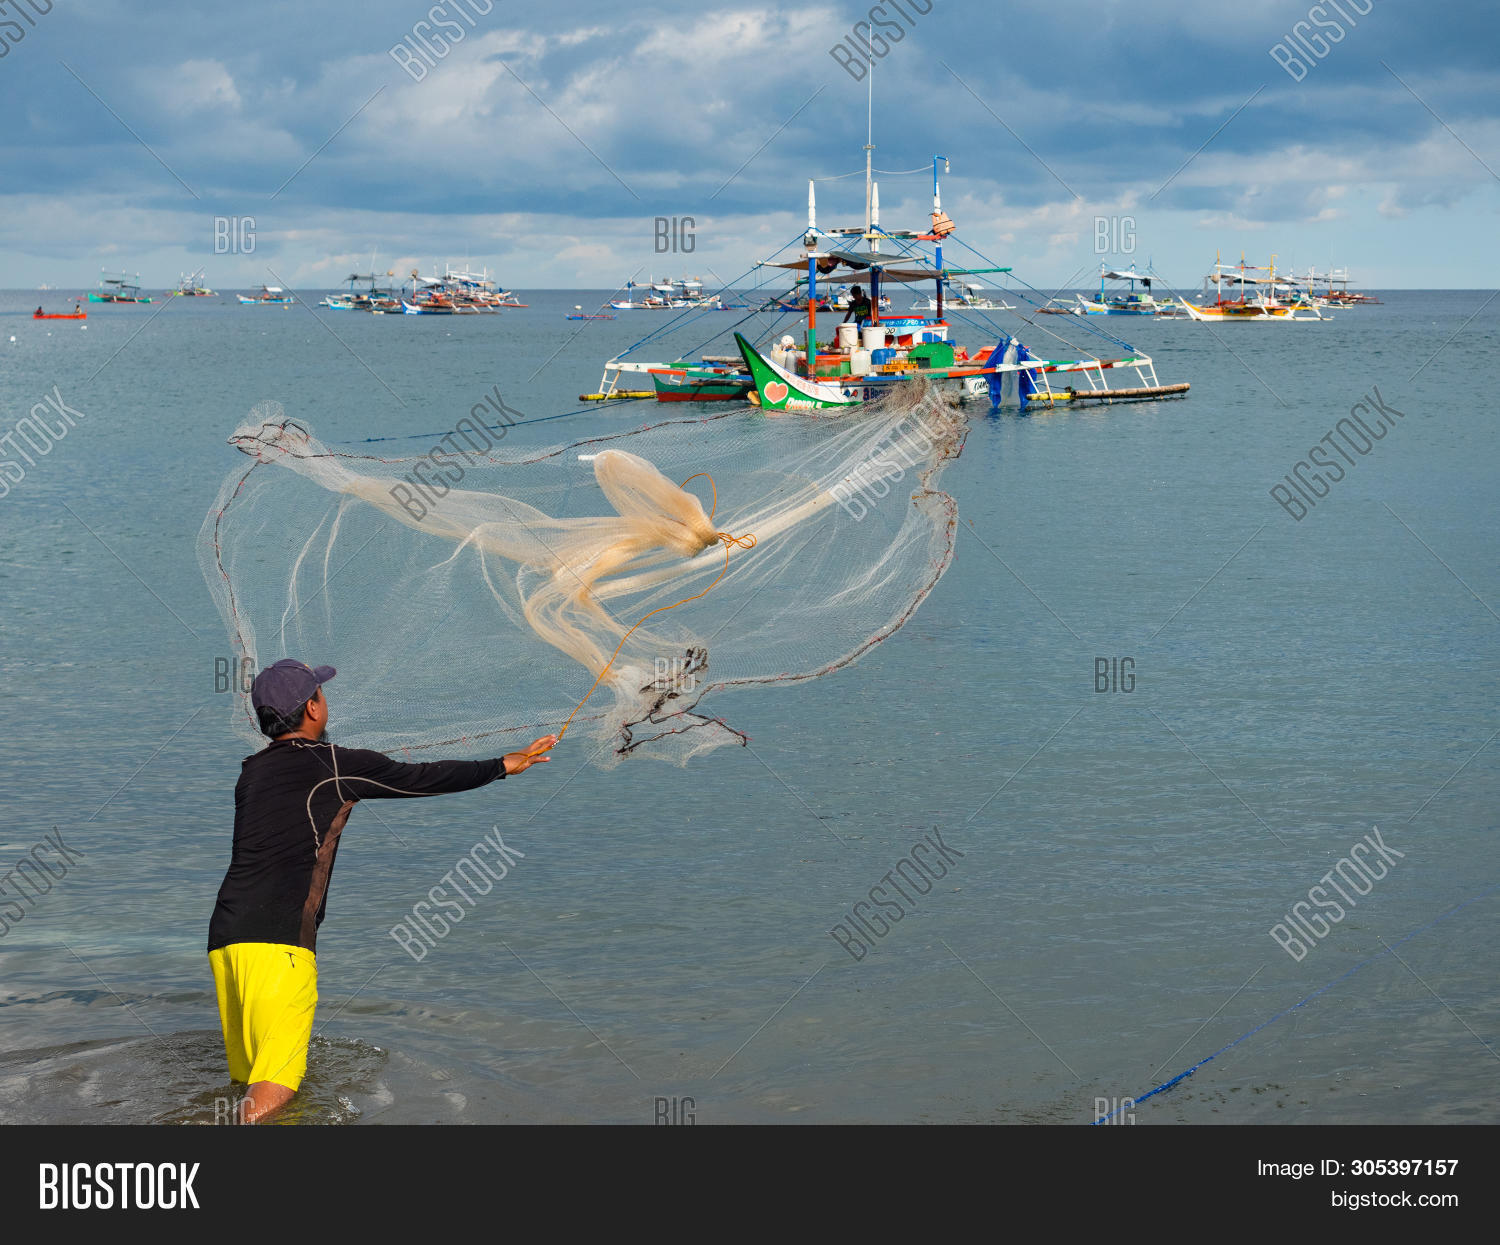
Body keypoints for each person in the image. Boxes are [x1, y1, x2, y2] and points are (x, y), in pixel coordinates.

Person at [207, 659, 557, 1123]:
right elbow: (420, 778)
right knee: (277, 1085)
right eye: (321, 693)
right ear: (312, 708)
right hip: (279, 943)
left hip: (226, 939)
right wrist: (501, 766)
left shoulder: (252, 771)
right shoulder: (334, 765)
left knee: (249, 1079)